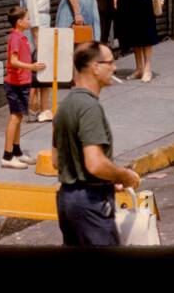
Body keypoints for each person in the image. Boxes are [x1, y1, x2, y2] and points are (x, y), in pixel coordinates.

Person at [53, 41, 141, 247]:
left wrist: (108, 180)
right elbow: (95, 163)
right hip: (91, 203)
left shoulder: (65, 106)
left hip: (68, 201)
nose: (115, 68)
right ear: (95, 67)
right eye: (110, 63)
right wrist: (124, 176)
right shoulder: (89, 107)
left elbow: (57, 160)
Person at [2, 6, 43, 169]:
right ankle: (7, 155)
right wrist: (31, 67)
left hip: (22, 81)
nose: (29, 21)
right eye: (27, 19)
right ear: (19, 22)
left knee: (18, 117)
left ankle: (17, 151)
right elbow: (13, 61)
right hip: (15, 83)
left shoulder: (21, 37)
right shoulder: (15, 38)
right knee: (14, 117)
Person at [19, 0, 53, 121]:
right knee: (39, 65)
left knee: (41, 66)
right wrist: (37, 35)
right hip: (38, 26)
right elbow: (32, 10)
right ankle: (34, 106)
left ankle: (41, 106)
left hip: (42, 23)